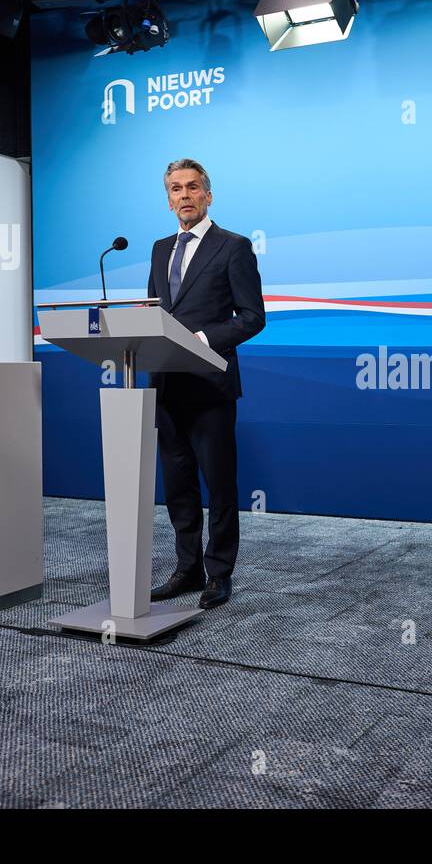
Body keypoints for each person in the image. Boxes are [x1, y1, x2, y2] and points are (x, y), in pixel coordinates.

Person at [147, 159, 265, 610]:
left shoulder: (233, 247)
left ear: (208, 194)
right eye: (176, 189)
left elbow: (253, 317)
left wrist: (203, 339)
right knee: (177, 483)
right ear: (168, 198)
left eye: (192, 187)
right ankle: (187, 567)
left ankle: (219, 573)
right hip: (166, 384)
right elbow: (155, 311)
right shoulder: (160, 249)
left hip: (210, 385)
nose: (184, 196)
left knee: (218, 483)